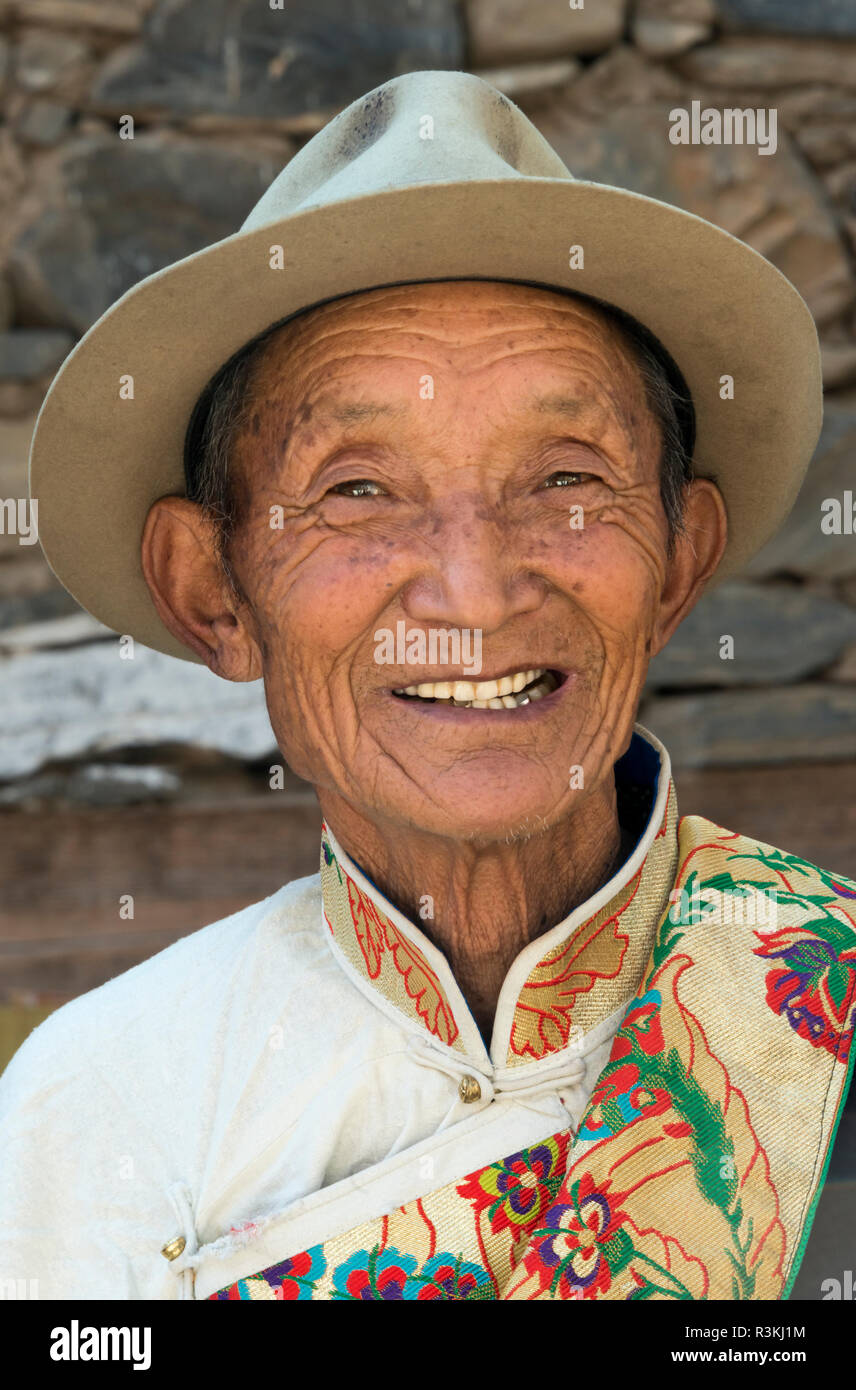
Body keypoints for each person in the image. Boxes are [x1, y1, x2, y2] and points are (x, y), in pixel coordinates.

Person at [1, 70, 853, 1301]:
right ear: (214, 593)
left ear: (677, 564)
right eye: (358, 489)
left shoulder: (822, 998)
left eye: (565, 478)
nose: (475, 589)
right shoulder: (102, 1107)